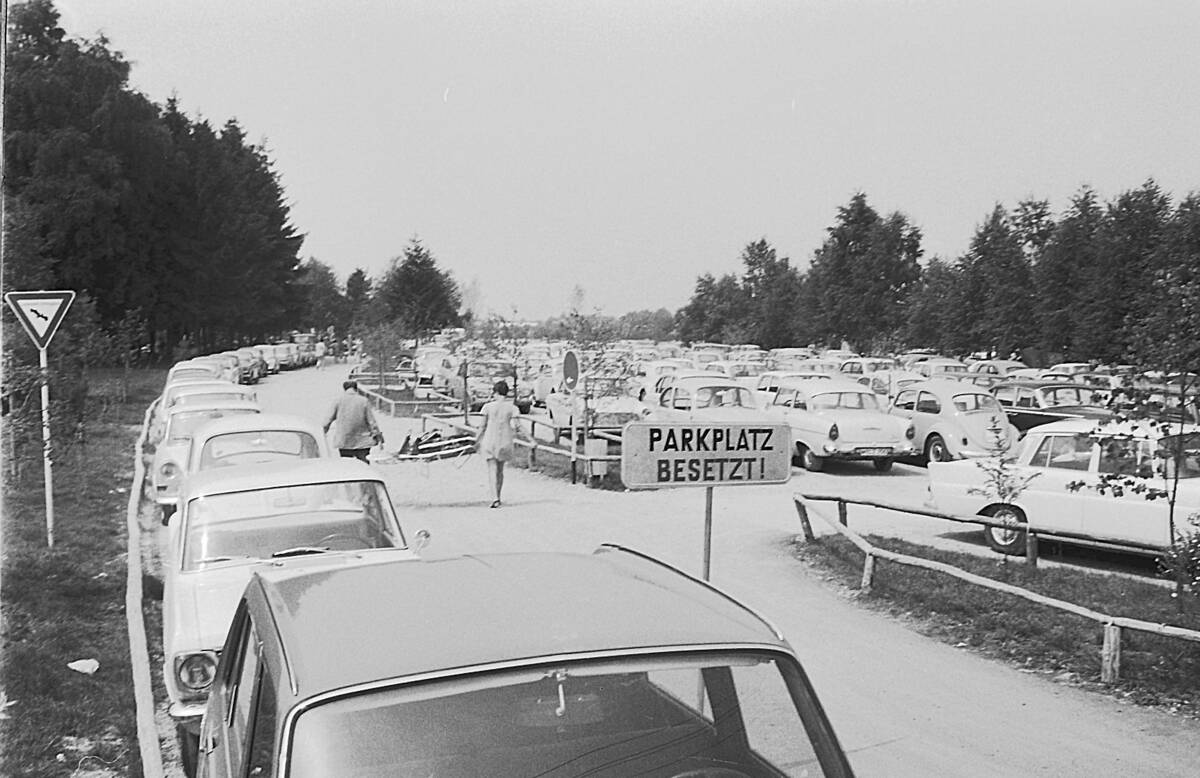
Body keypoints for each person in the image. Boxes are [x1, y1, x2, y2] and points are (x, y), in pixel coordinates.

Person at [475, 380, 523, 508]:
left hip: (490, 440)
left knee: (492, 469)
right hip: (505, 440)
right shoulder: (512, 408)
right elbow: (518, 426)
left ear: (495, 392)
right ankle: (499, 496)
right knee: (500, 470)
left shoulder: (488, 407)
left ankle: (494, 498)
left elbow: (482, 426)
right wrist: (531, 440)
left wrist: (476, 440)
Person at [322, 380, 383, 462]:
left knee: (347, 465)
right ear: (356, 389)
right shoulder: (363, 401)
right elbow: (371, 422)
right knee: (363, 464)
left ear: (344, 389)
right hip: (363, 441)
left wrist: (323, 432)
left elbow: (328, 420)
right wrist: (378, 436)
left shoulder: (338, 401)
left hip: (344, 440)